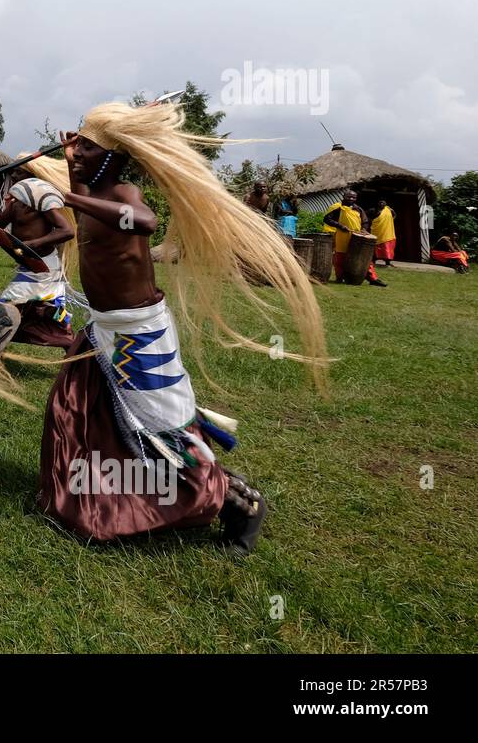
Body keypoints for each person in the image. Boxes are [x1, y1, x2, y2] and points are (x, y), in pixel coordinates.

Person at [36, 101, 328, 554]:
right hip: (103, 330)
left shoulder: (125, 194)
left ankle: (240, 504)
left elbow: (147, 222)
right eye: (80, 147)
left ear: (113, 158)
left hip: (139, 336)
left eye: (90, 149)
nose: (81, 154)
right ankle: (90, 500)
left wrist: (71, 194)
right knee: (73, 412)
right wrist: (74, 171)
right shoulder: (93, 192)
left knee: (164, 428)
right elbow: (86, 214)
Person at [0, 156, 77, 349]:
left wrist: (34, 243)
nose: (13, 175)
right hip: (31, 263)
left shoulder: (42, 199)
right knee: (47, 308)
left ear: (30, 176)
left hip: (43, 266)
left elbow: (67, 231)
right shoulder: (16, 202)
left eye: (18, 171)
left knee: (4, 306)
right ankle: (69, 339)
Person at [323, 189, 387, 286]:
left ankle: (372, 279)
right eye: (349, 197)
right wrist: (340, 226)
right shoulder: (338, 208)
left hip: (357, 237)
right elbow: (327, 219)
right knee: (340, 258)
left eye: (354, 197)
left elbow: (365, 221)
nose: (351, 199)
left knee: (364, 258)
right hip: (342, 236)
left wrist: (364, 230)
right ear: (343, 197)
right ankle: (339, 277)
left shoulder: (358, 209)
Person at [370, 200, 396, 267]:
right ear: (377, 204)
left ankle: (387, 262)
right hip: (377, 231)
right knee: (375, 246)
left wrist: (390, 221)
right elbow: (365, 216)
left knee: (387, 247)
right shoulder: (373, 210)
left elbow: (394, 215)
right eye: (380, 202)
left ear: (386, 204)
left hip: (387, 232)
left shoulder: (389, 210)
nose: (381, 203)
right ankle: (373, 260)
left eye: (383, 202)